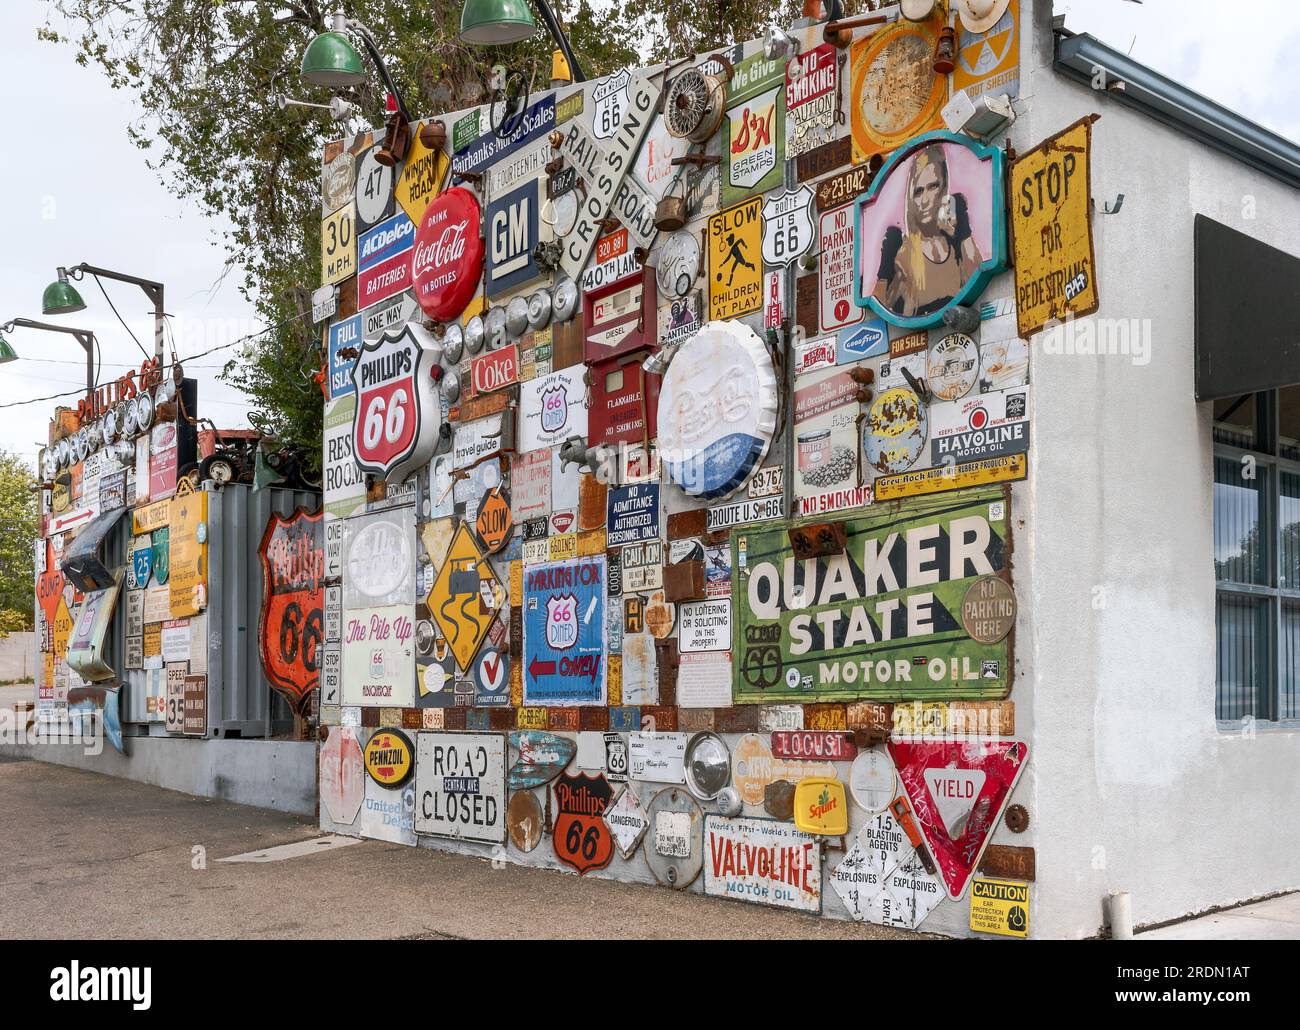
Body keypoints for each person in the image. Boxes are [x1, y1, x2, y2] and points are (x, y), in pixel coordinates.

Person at [873, 144, 983, 317]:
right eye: (918, 191)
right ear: (910, 197)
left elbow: (977, 279)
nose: (924, 200)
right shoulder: (902, 253)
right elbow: (878, 307)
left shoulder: (957, 245)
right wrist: (885, 268)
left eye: (932, 187)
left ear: (944, 188)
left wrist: (964, 230)